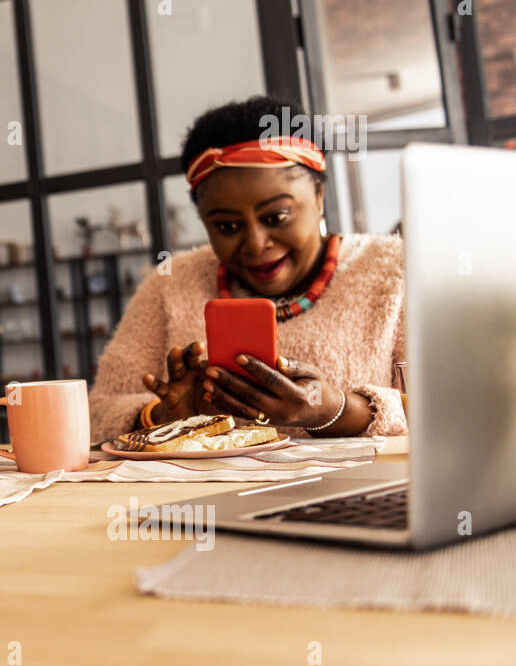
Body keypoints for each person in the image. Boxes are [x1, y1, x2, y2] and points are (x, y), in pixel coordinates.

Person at [89, 96, 407, 443]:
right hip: (212, 497)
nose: (256, 244)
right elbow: (96, 415)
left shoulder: (396, 270)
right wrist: (163, 416)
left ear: (318, 195)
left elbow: (453, 402)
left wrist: (336, 410)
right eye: (227, 226)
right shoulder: (170, 284)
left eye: (276, 217)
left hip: (359, 496)